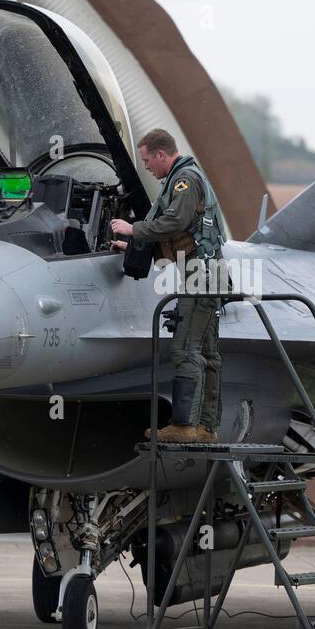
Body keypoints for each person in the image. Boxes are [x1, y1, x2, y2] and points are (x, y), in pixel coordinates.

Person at [110, 128, 225, 444]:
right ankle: (206, 428)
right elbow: (183, 235)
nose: (146, 167)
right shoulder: (186, 177)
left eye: (147, 160)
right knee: (207, 352)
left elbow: (175, 221)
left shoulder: (183, 180)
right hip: (206, 271)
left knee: (185, 348)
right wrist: (131, 249)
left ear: (162, 154)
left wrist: (133, 229)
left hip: (199, 275)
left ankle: (185, 425)